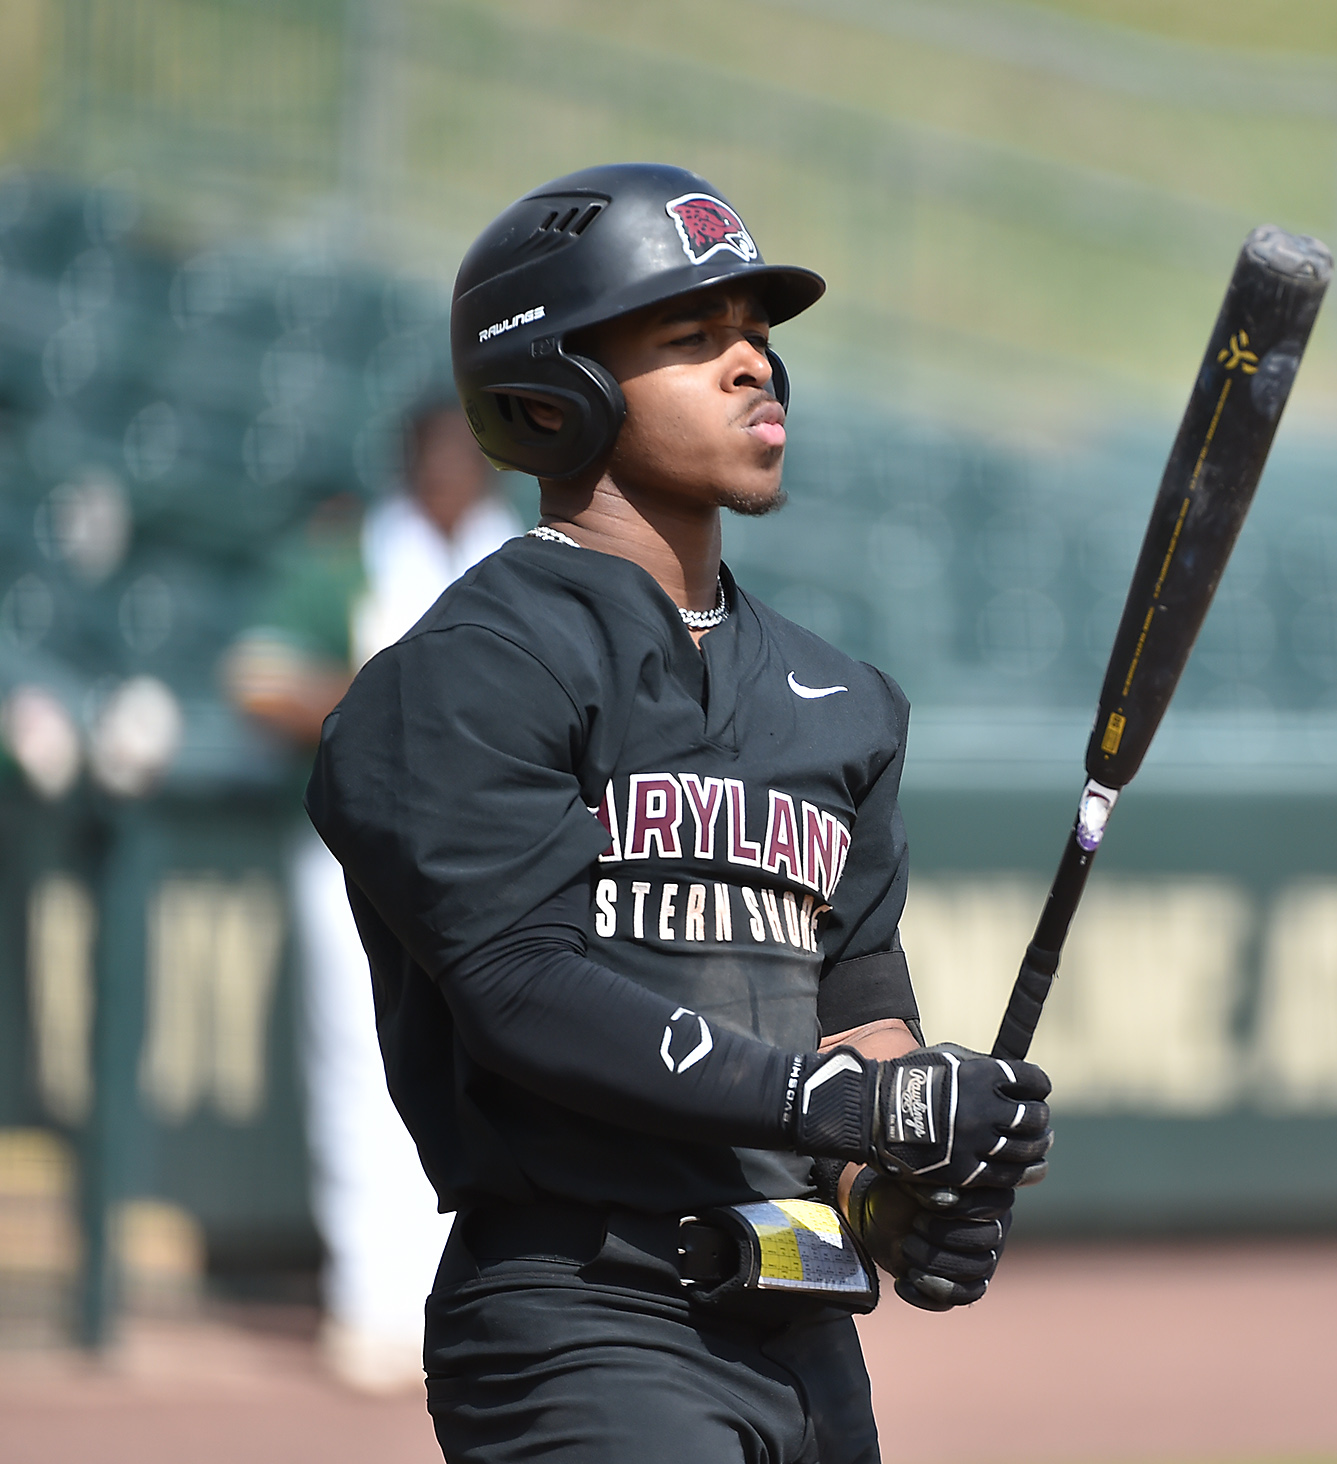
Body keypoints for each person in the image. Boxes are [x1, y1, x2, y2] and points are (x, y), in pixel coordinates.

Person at [303, 163, 1053, 1463]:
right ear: (553, 391)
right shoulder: (467, 670)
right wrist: (845, 1109)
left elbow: (859, 1015)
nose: (754, 364)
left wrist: (893, 1197)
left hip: (808, 1335)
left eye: (757, 334)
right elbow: (522, 990)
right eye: (692, 337)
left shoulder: (841, 701)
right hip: (581, 1320)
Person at [225, 402, 521, 1390]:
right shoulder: (347, 557)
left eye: (463, 453)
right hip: (358, 851)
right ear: (404, 464)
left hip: (499, 864)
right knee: (361, 1067)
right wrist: (383, 700)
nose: (448, 470)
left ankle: (480, 1298)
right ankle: (370, 1302)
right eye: (431, 454)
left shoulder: (521, 552)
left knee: (498, 1072)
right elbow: (257, 680)